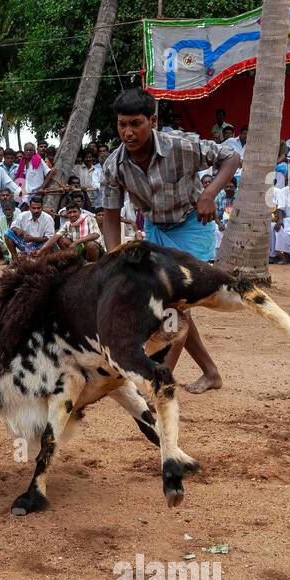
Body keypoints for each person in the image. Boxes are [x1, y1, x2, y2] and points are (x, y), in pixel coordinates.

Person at [99, 87, 240, 394]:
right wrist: (115, 257)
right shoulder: (113, 165)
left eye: (135, 123)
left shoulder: (181, 145)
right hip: (155, 230)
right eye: (122, 124)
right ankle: (211, 372)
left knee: (174, 304)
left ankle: (161, 381)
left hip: (192, 224)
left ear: (152, 120)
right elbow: (109, 215)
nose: (128, 131)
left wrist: (209, 193)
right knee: (173, 306)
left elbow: (231, 157)